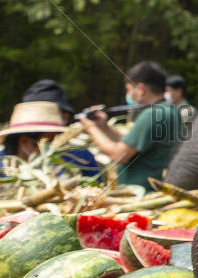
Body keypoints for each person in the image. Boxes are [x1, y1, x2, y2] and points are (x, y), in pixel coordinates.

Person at [77, 60, 185, 188]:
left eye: (128, 89)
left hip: (140, 192)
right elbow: (131, 145)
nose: (127, 94)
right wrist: (104, 127)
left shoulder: (152, 114)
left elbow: (118, 155)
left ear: (140, 89)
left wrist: (90, 128)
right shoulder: (169, 111)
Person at [0, 96, 102, 181]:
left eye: (58, 143)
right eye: (48, 143)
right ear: (24, 142)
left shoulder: (76, 158)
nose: (54, 150)